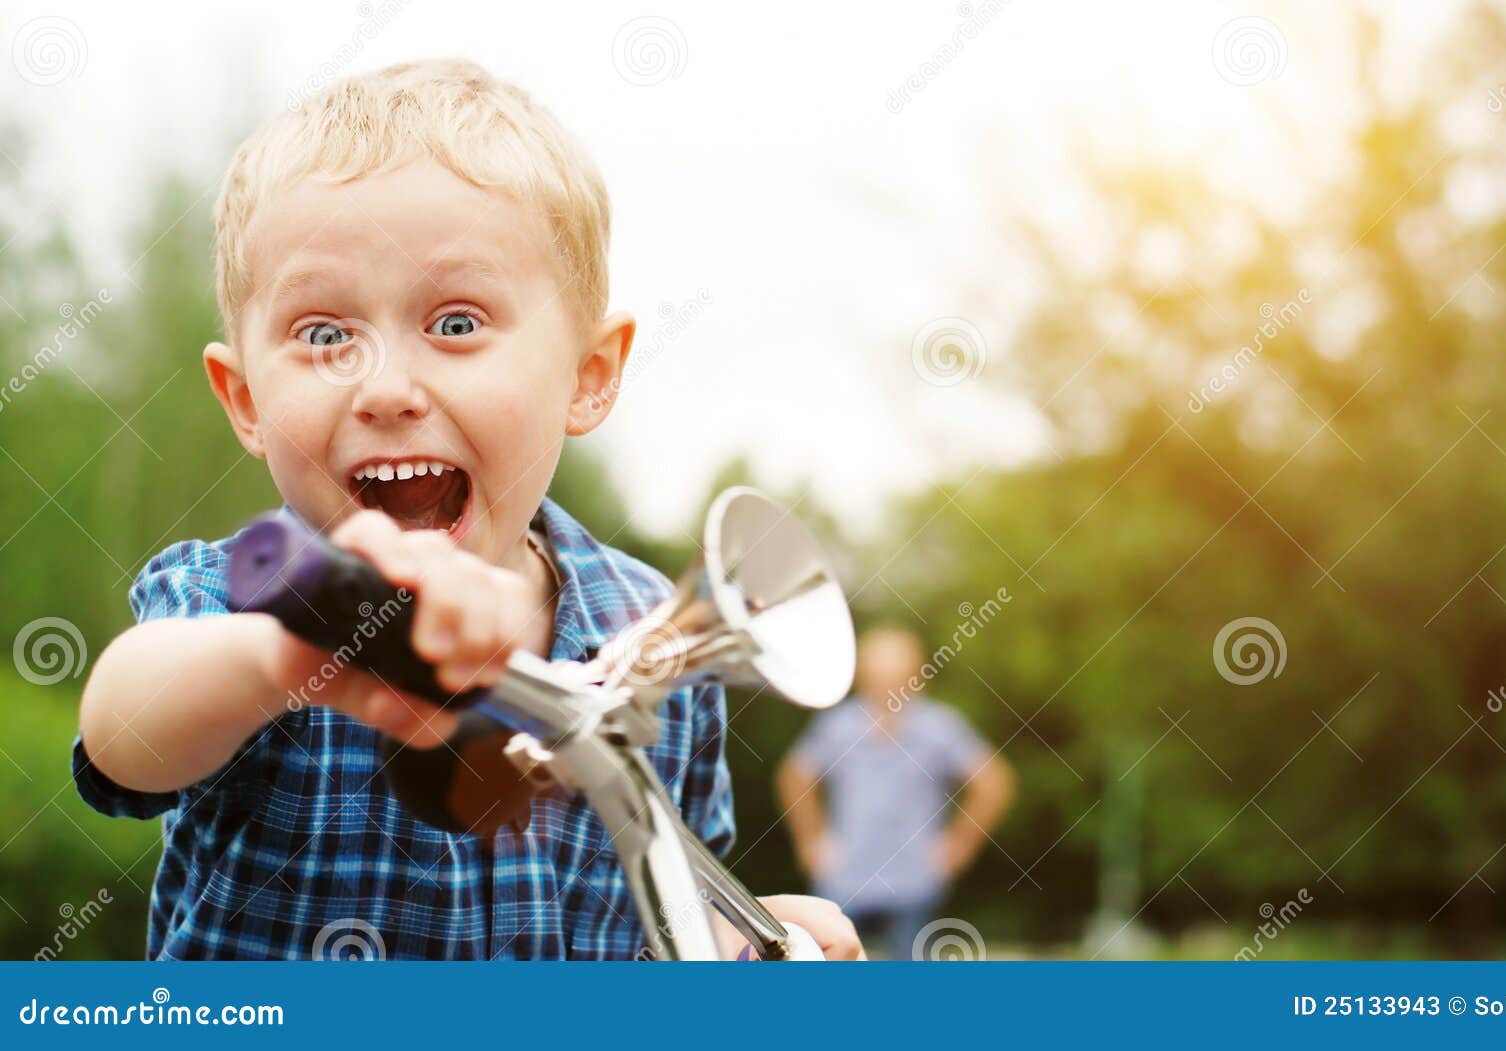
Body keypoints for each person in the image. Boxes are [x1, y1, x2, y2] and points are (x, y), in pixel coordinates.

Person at [72, 60, 858, 962]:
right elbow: (122, 737)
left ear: (588, 376)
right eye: (324, 334)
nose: (387, 388)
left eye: (455, 323)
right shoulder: (248, 592)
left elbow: (659, 894)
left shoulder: (654, 624)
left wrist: (749, 933)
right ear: (245, 399)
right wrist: (281, 654)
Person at [778, 624, 1015, 959]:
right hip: (845, 877)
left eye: (895, 673)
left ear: (916, 674)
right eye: (877, 673)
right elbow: (794, 775)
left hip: (914, 879)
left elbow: (993, 781)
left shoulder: (940, 726)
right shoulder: (838, 726)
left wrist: (957, 846)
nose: (886, 683)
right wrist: (811, 842)